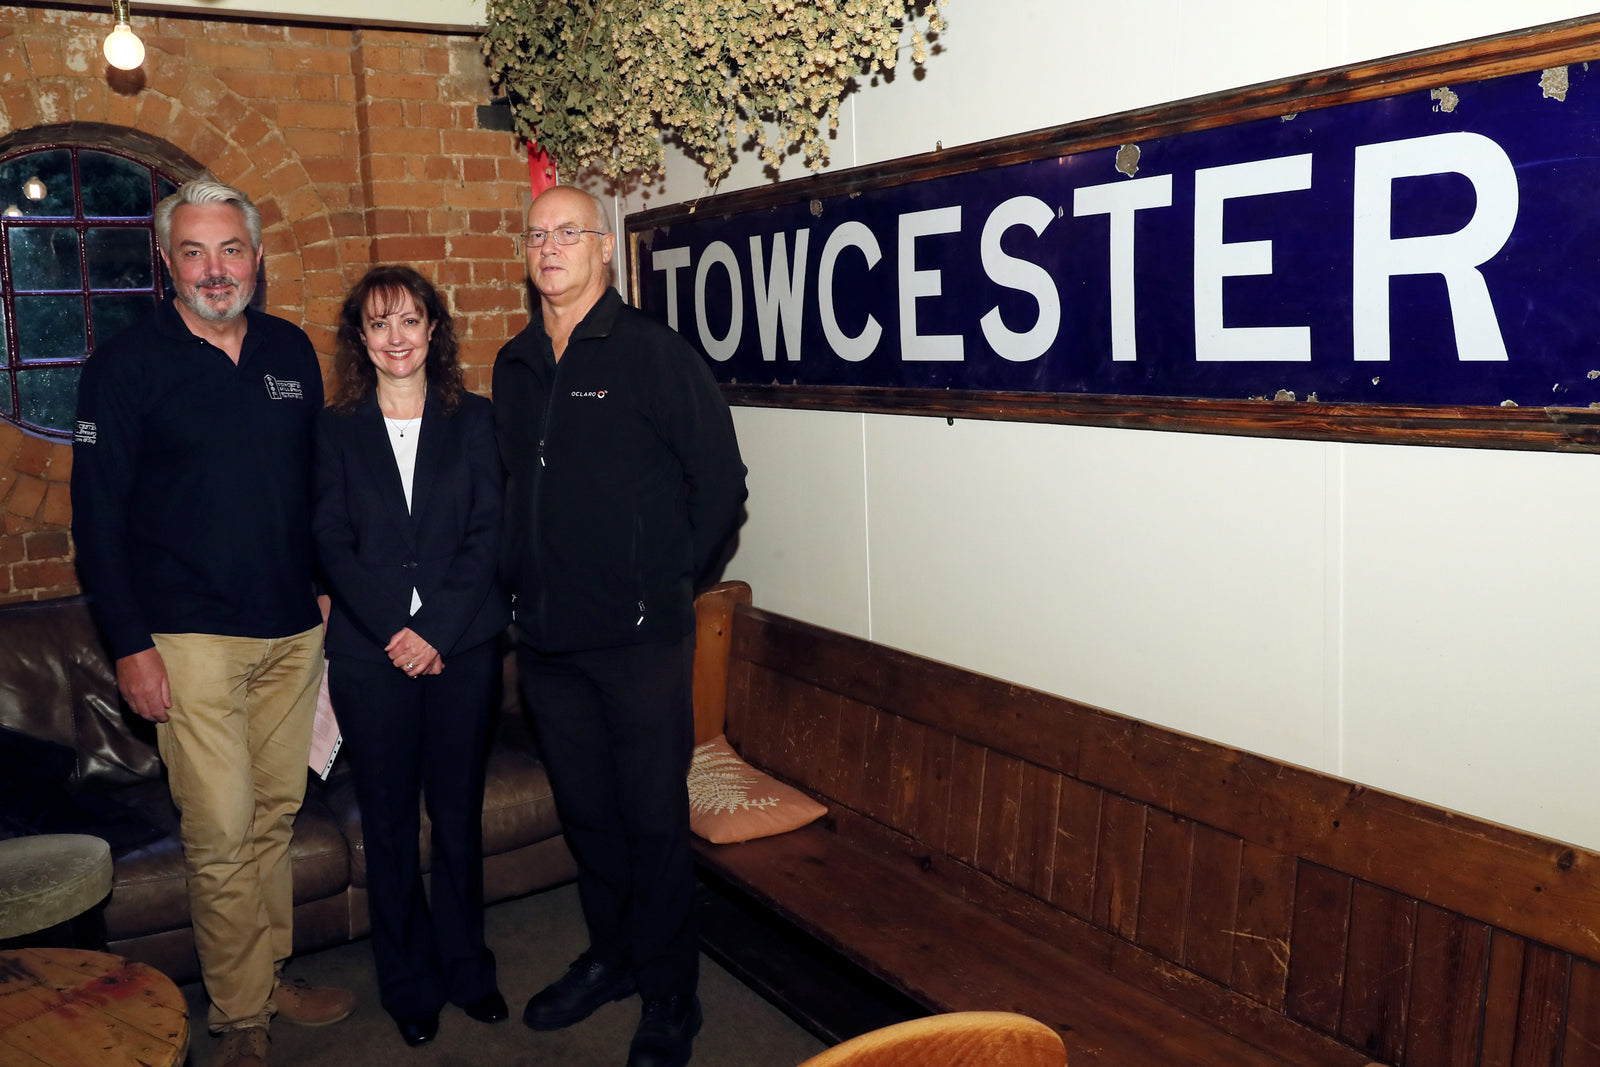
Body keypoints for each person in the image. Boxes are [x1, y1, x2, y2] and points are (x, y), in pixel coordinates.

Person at [71, 177, 355, 1067]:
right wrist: (130, 644)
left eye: (231, 249)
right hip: (187, 640)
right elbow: (97, 520)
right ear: (167, 263)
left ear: (257, 258)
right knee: (222, 830)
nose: (215, 268)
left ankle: (268, 976)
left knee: (274, 816)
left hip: (292, 632)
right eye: (193, 252)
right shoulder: (123, 366)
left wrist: (323, 586)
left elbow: (312, 484)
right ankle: (239, 1017)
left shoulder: (289, 350)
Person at [493, 185, 747, 1067]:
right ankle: (612, 956)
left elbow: (721, 487)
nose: (549, 246)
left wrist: (665, 584)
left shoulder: (652, 353)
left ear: (604, 248)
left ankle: (672, 994)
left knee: (651, 820)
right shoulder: (516, 362)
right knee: (589, 818)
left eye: (568, 232)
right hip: (547, 646)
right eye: (537, 234)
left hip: (639, 643)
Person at [313, 265, 510, 1048]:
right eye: (378, 323)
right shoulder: (334, 428)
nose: (395, 337)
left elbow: (488, 532)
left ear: (434, 329)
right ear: (360, 339)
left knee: (457, 817)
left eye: (409, 320)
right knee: (390, 824)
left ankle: (469, 967)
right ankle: (409, 982)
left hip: (463, 648)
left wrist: (437, 631)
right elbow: (329, 538)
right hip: (371, 654)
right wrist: (398, 627)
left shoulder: (477, 418)